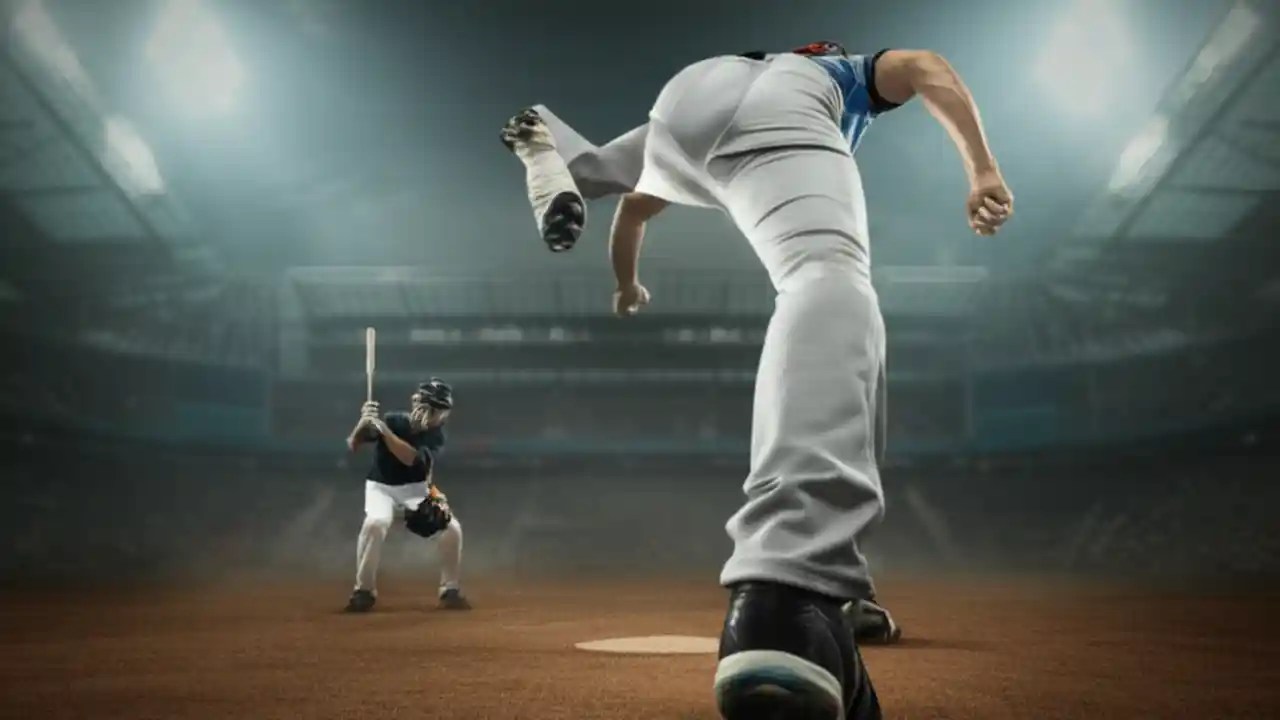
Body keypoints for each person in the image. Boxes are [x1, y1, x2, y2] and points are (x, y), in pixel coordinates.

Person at [503, 42, 1013, 719]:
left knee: (600, 171)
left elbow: (631, 212)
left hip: (681, 109)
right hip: (779, 101)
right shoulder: (842, 74)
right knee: (825, 274)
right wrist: (983, 169)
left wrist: (627, 286)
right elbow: (922, 65)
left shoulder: (736, 91)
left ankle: (551, 149)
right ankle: (791, 583)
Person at [343, 378, 471, 612]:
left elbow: (410, 458)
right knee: (375, 523)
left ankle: (449, 589)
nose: (438, 415)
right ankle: (363, 591)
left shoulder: (436, 436)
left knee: (452, 530)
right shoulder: (394, 420)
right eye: (433, 407)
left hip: (415, 488)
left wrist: (382, 429)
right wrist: (363, 423)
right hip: (380, 487)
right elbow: (353, 444)